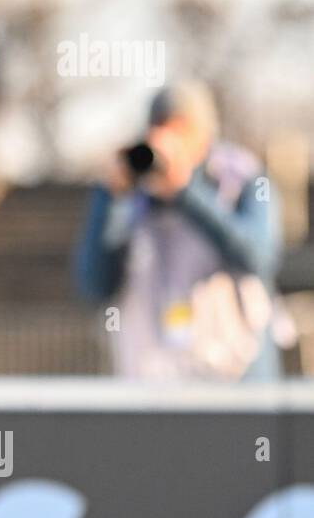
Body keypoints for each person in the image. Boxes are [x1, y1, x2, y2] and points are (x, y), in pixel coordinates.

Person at [74, 80, 286, 380]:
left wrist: (185, 192)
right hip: (153, 389)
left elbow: (259, 258)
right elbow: (94, 284)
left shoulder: (242, 180)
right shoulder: (130, 193)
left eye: (179, 131)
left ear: (205, 135)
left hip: (237, 388)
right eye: (159, 131)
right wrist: (111, 199)